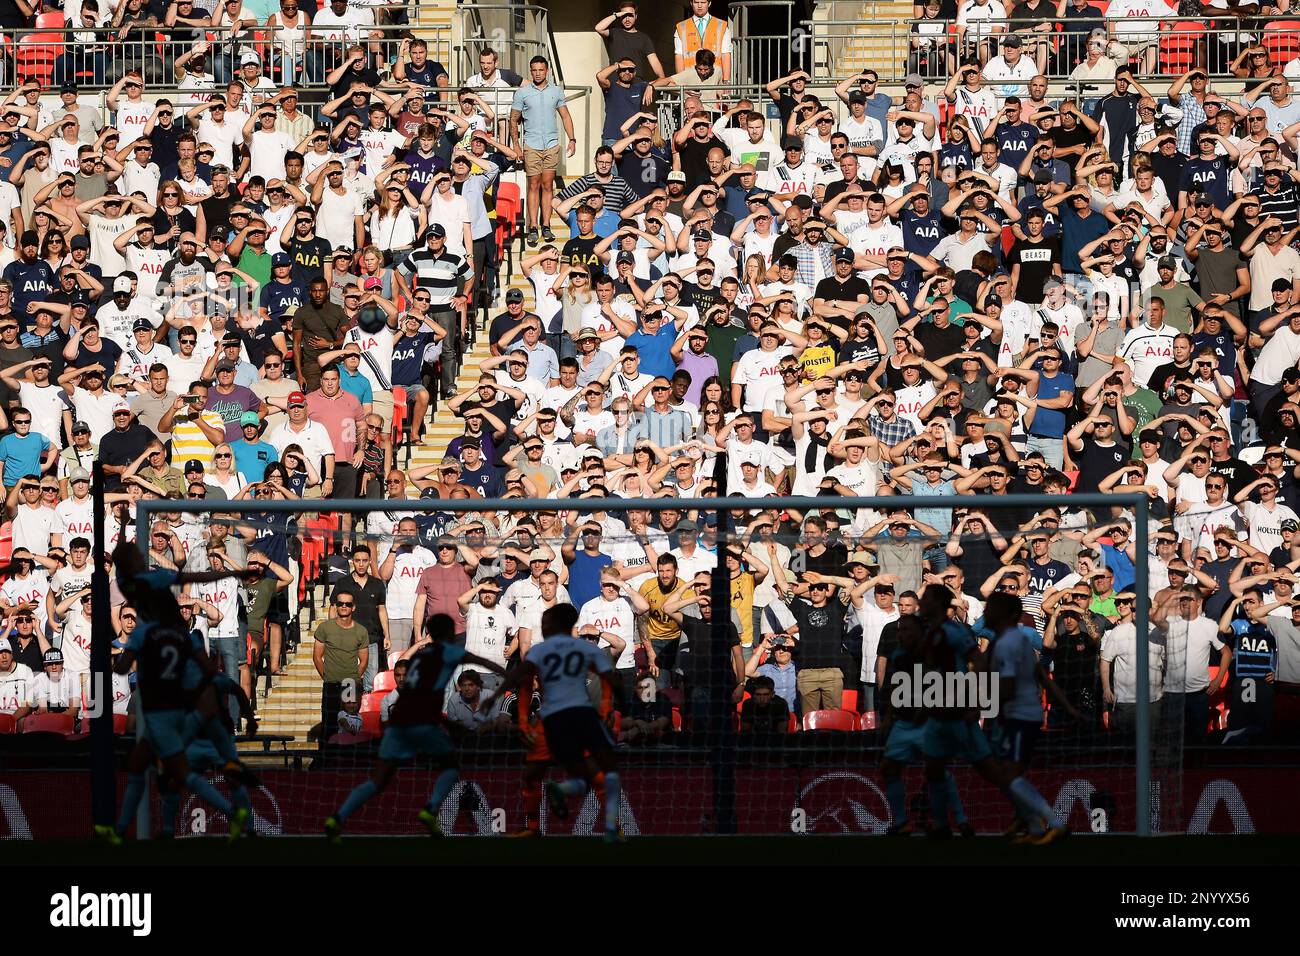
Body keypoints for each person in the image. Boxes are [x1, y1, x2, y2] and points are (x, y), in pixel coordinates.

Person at [324, 614, 506, 840]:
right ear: (450, 633)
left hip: (400, 720)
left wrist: (446, 722)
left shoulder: (420, 657)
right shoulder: (449, 652)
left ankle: (337, 818)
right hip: (421, 722)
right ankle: (430, 810)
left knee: (377, 781)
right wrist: (512, 674)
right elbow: (485, 664)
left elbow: (420, 697)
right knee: (451, 766)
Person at [489, 603, 625, 843]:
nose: (542, 625)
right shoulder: (585, 649)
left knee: (534, 774)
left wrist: (522, 720)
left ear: (556, 624)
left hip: (551, 719)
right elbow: (608, 678)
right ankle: (613, 827)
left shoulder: (537, 652)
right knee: (596, 774)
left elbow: (523, 686)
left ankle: (533, 826)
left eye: (545, 621)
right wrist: (605, 707)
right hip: (581, 717)